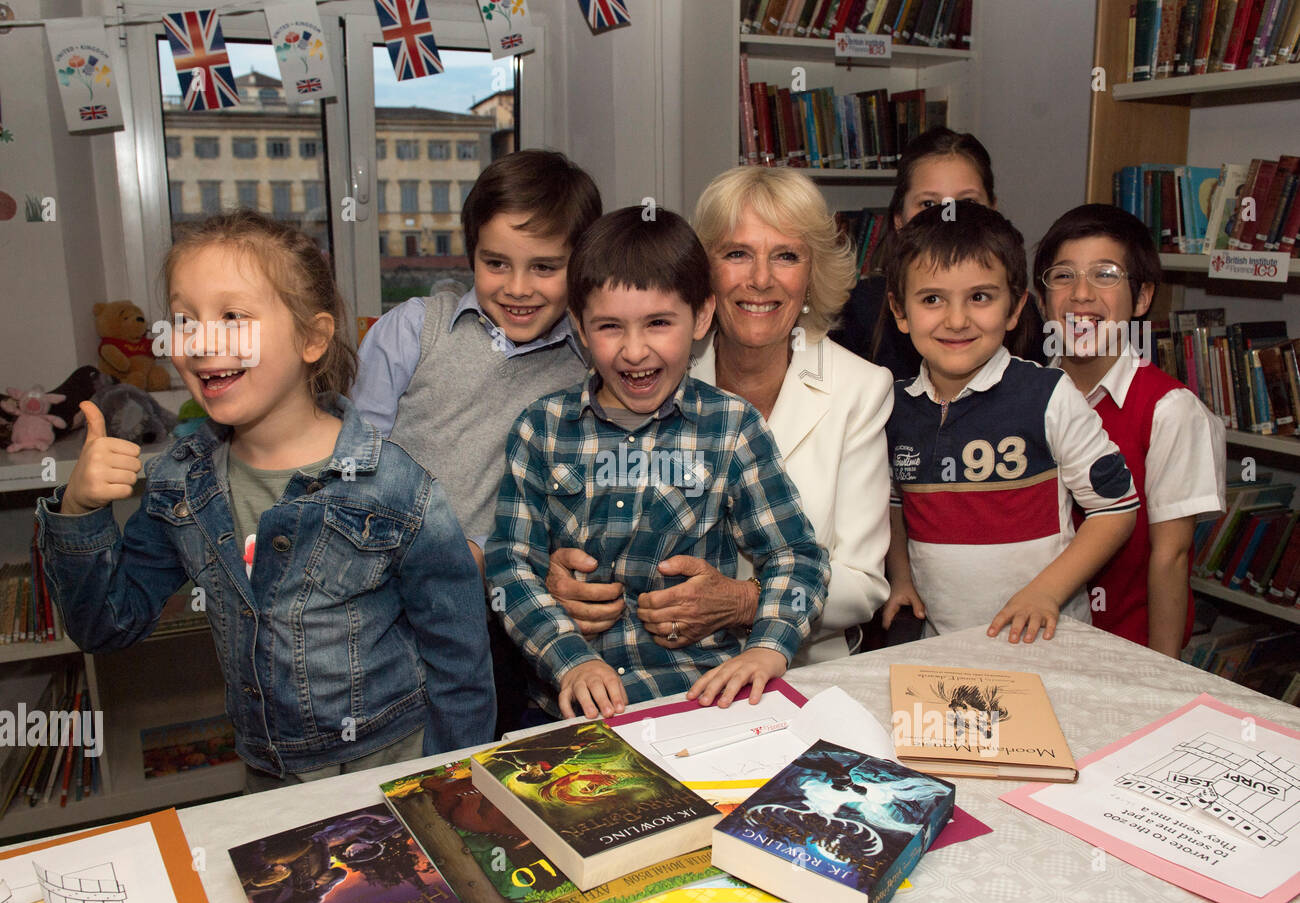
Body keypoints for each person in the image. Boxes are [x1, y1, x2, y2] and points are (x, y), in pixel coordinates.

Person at [36, 210, 495, 788]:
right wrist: (79, 514)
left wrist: (453, 788)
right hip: (268, 778)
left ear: (312, 337)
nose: (202, 341)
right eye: (184, 319)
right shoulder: (182, 481)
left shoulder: (396, 487)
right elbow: (105, 626)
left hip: (393, 774)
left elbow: (461, 662)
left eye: (232, 316)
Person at [485, 206, 829, 721]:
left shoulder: (732, 428)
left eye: (659, 323)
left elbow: (798, 556)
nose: (634, 350)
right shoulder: (541, 429)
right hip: (568, 707)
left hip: (697, 701)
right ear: (579, 326)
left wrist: (768, 647)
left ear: (702, 317)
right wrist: (569, 660)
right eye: (609, 326)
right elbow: (511, 568)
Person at [548, 166, 893, 667]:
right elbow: (597, 519)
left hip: (811, 669)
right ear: (701, 271)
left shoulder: (861, 388)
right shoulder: (650, 371)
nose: (760, 279)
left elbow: (861, 584)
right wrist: (558, 575)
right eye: (737, 254)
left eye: (786, 256)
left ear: (813, 272)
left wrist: (741, 600)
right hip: (662, 671)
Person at [350, 149, 601, 735]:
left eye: (545, 267)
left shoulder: (588, 365)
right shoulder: (412, 330)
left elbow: (572, 501)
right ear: (472, 256)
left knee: (490, 758)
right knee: (387, 755)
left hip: (507, 616)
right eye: (496, 263)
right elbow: (353, 466)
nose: (518, 288)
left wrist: (488, 553)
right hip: (386, 599)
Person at [880, 201, 1139, 643]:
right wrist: (901, 578)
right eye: (932, 299)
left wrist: (1046, 593)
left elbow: (1115, 510)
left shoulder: (1049, 395)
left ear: (1015, 308)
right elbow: (894, 505)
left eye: (980, 297)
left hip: (1049, 640)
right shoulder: (892, 406)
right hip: (942, 643)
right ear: (900, 311)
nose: (957, 320)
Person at [1034, 203, 1226, 656]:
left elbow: (1171, 556)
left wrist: (1161, 677)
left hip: (1123, 650)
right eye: (1062, 276)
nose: (1081, 294)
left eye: (1105, 275)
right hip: (1027, 641)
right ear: (1041, 299)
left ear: (1141, 299)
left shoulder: (1169, 410)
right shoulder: (1020, 393)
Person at [833, 127, 1047, 378]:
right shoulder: (861, 308)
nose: (948, 218)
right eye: (928, 204)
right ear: (899, 220)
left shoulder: (1024, 314)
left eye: (966, 203)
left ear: (993, 211)